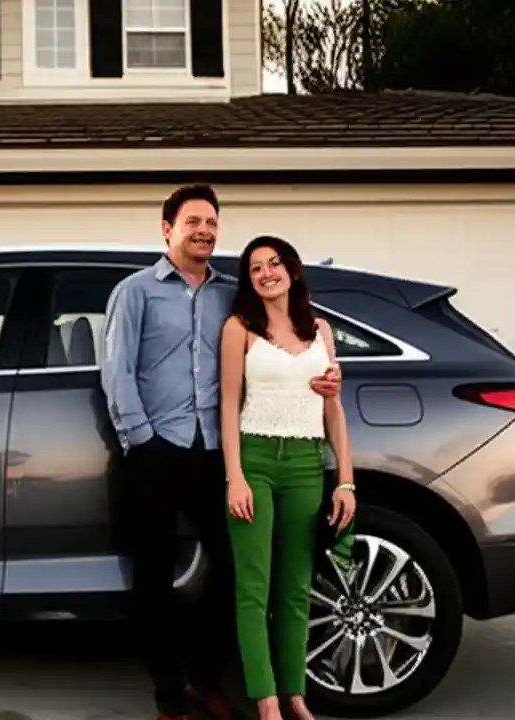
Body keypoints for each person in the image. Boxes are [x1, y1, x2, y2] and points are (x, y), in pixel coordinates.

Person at [100, 186, 342, 720]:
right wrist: (143, 442)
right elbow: (117, 373)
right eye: (193, 221)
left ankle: (208, 680)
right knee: (153, 576)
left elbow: (286, 336)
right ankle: (169, 694)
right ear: (167, 229)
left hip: (218, 454)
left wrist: (327, 373)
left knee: (235, 570)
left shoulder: (232, 297)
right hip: (157, 449)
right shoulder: (135, 292)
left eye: (212, 222)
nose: (205, 230)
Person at [218, 235, 357, 720]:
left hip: (305, 465)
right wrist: (235, 477)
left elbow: (333, 409)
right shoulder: (239, 328)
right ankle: (267, 701)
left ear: (293, 270)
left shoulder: (320, 331)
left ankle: (296, 694)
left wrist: (346, 482)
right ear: (249, 280)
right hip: (255, 460)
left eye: (274, 263)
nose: (266, 273)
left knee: (297, 588)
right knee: (253, 588)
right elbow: (228, 404)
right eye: (256, 268)